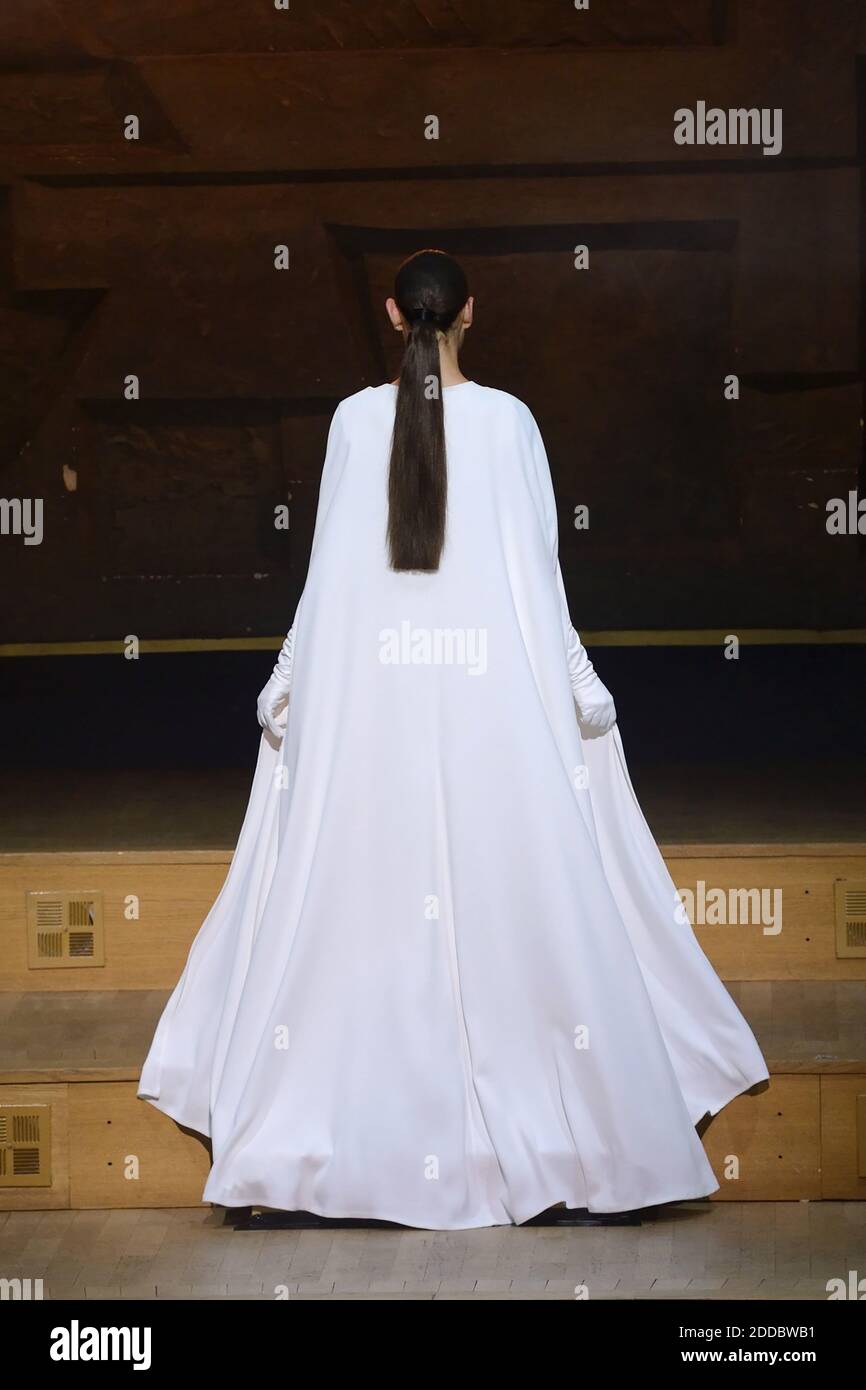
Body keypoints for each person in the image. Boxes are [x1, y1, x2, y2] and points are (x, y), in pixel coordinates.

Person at [138, 248, 769, 1230]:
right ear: (470, 312)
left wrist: (287, 680)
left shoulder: (353, 421)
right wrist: (579, 686)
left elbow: (329, 581)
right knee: (508, 876)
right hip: (485, 700)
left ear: (394, 315)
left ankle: (319, 1141)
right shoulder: (507, 420)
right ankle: (570, 1133)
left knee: (367, 886)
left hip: (378, 703)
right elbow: (536, 580)